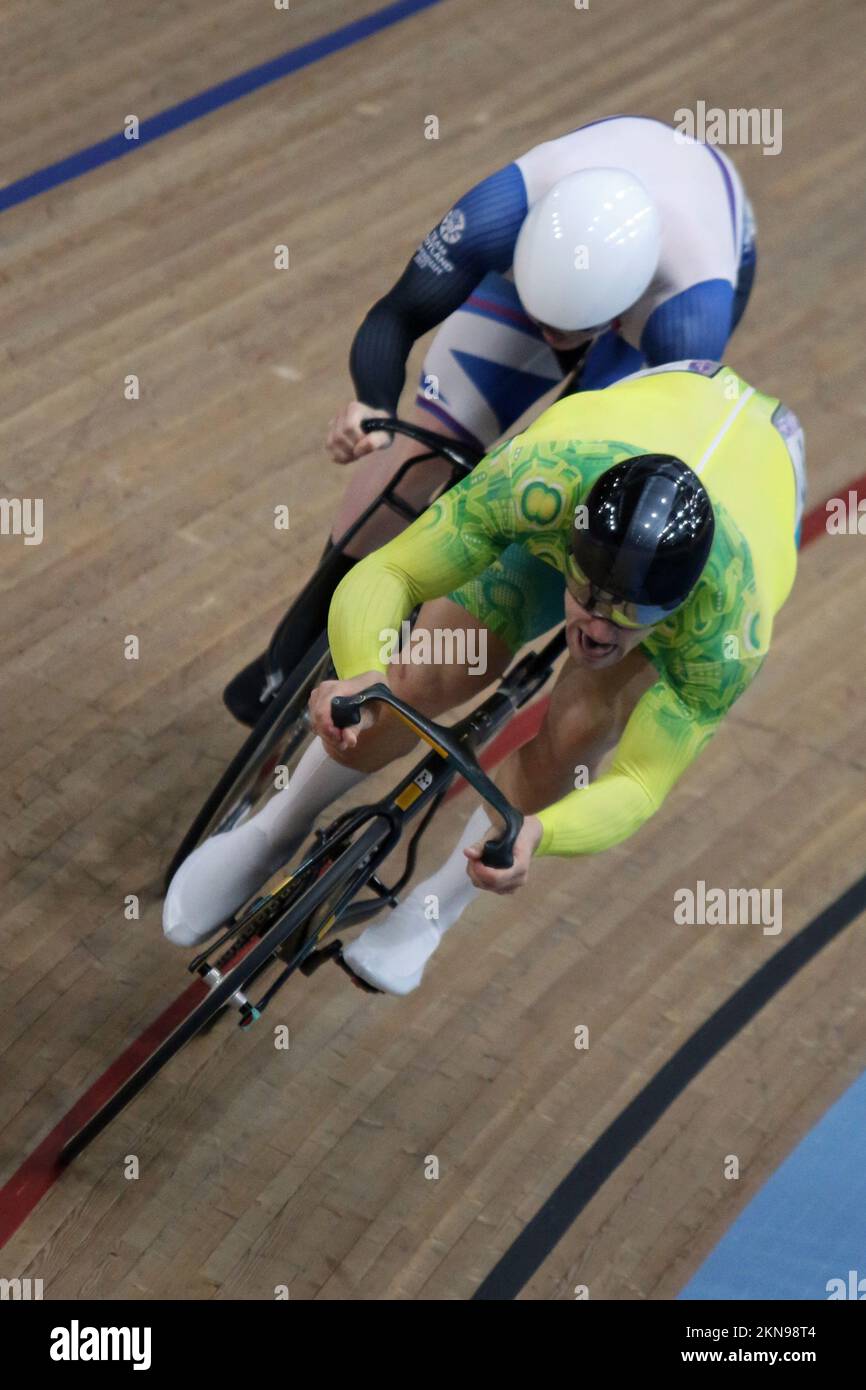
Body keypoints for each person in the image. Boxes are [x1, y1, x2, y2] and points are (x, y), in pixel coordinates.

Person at [165, 359, 806, 996]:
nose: (600, 627)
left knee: (579, 731)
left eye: (631, 615)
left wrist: (539, 833)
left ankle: (437, 906)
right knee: (424, 673)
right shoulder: (540, 481)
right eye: (585, 594)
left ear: (678, 604)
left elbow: (640, 782)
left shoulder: (727, 628)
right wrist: (363, 672)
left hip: (757, 485)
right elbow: (395, 573)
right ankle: (277, 825)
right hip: (621, 437)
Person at [224, 115, 757, 725]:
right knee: (427, 444)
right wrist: (373, 405)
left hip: (671, 300)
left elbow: (661, 469)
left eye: (568, 329)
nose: (553, 337)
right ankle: (304, 637)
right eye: (543, 316)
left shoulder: (688, 316)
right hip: (575, 255)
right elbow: (396, 315)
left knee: (568, 477)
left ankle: (443, 623)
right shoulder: (503, 210)